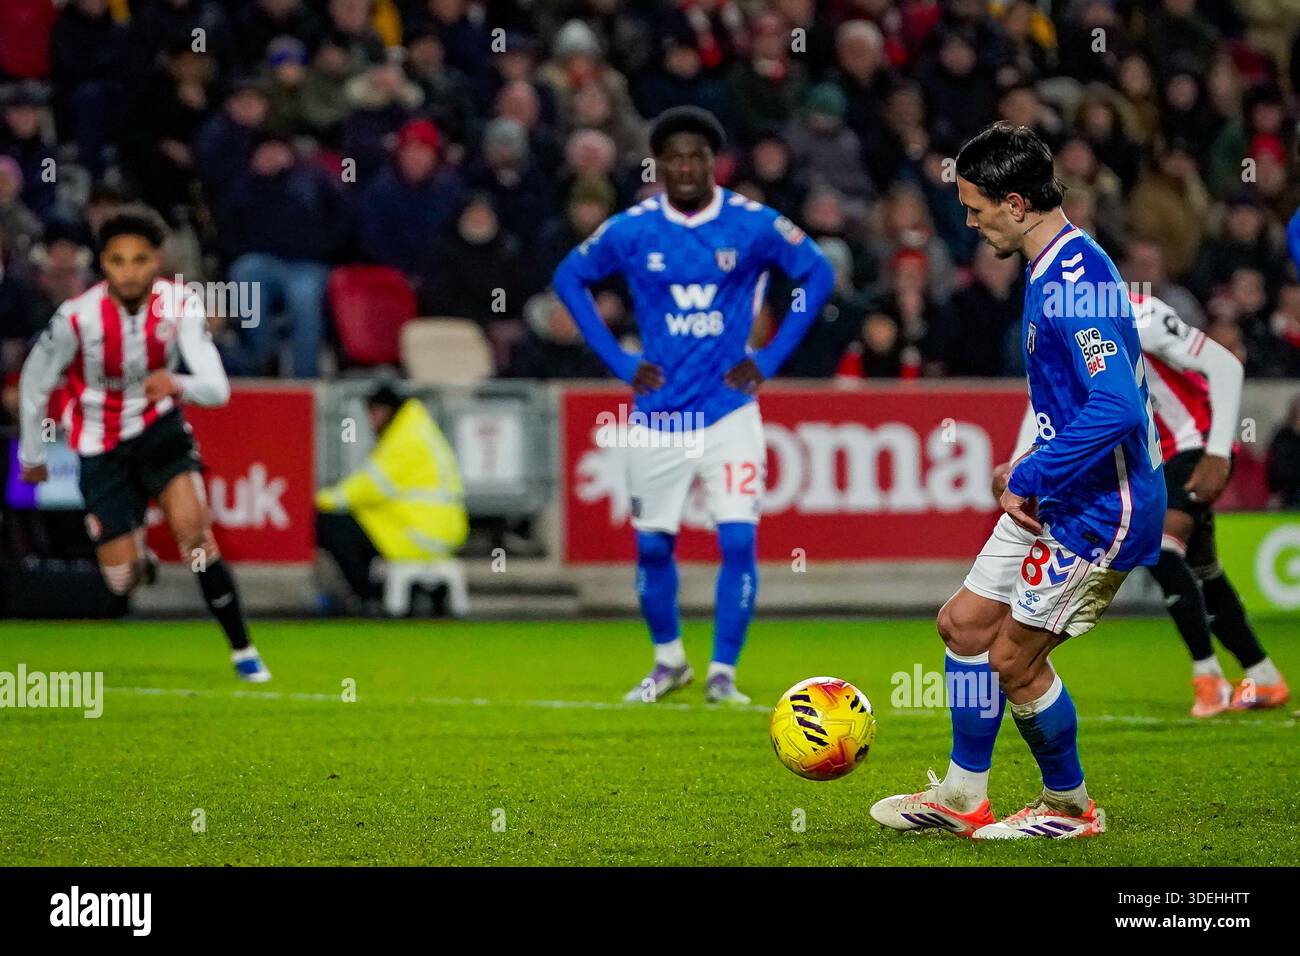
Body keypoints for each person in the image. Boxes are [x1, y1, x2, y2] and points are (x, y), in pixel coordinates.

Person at [871, 122, 1164, 840]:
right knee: (963, 626)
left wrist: (1035, 468)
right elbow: (1068, 396)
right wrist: (1030, 458)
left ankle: (1070, 807)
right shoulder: (1049, 267)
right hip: (1062, 490)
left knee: (1012, 658)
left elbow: (1119, 406)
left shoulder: (1080, 279)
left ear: (1014, 202)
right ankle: (963, 795)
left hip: (1106, 507)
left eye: (975, 209)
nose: (970, 224)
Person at [552, 105, 833, 705]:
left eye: (696, 156)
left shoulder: (752, 223)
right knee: (653, 544)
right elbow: (568, 278)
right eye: (673, 157)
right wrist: (619, 361)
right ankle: (669, 661)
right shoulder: (631, 229)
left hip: (730, 411)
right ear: (659, 165)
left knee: (737, 540)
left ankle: (722, 674)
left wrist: (771, 355)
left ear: (713, 163)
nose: (684, 166)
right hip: (658, 414)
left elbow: (818, 273)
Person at [17, 207, 270, 681]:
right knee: (121, 579)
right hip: (99, 444)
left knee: (196, 536)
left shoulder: (181, 305)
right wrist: (32, 454)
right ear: (104, 265)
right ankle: (138, 560)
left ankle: (243, 650)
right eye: (117, 261)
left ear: (156, 261)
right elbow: (36, 380)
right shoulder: (77, 317)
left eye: (139, 260)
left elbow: (217, 388)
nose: (129, 272)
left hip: (159, 432)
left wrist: (176, 382)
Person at [1009, 293, 1288, 715]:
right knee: (1202, 569)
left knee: (1163, 548)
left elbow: (1225, 365)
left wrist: (1218, 453)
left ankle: (1207, 677)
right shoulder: (1054, 332)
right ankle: (1263, 675)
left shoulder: (1141, 314)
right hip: (1151, 461)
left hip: (1192, 444)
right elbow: (1043, 406)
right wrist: (1016, 465)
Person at [315, 385, 467, 611]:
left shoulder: (405, 438)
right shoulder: (416, 428)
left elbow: (369, 488)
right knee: (356, 528)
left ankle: (367, 595)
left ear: (387, 411)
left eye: (373, 413)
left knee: (330, 524)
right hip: (435, 527)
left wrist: (321, 500)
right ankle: (402, 592)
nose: (370, 421)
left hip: (418, 532)